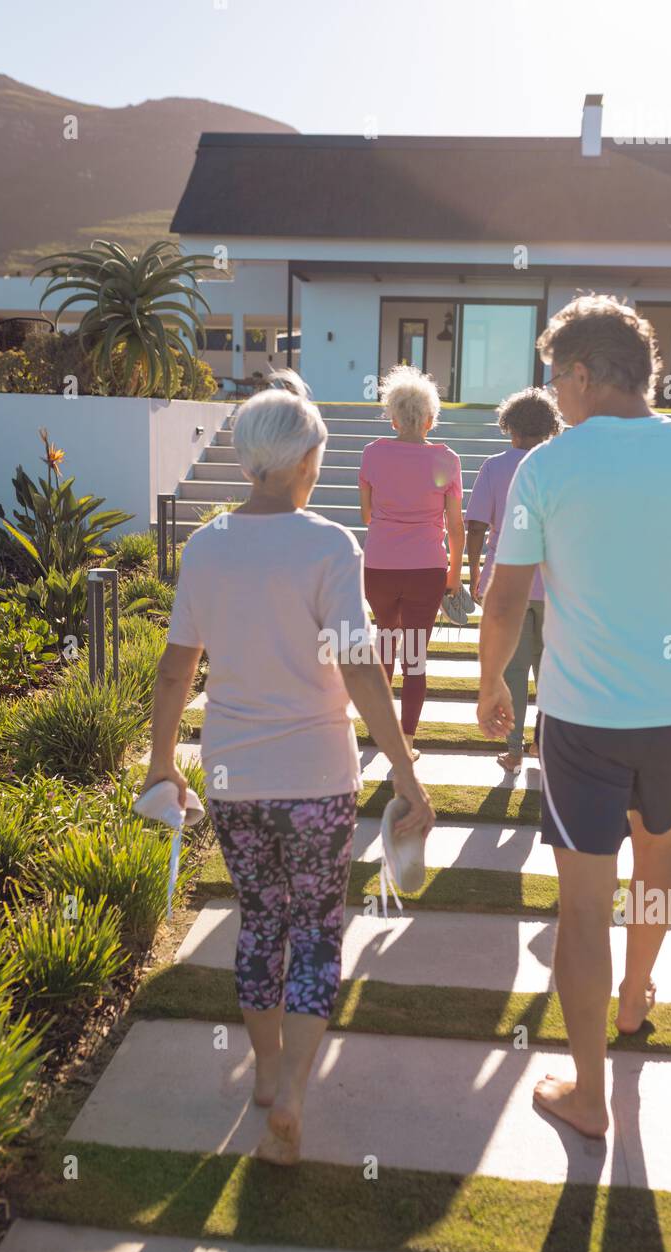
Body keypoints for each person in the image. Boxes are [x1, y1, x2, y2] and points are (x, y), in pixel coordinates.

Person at [477, 294, 671, 1139]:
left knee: (581, 906)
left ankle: (589, 1095)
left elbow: (505, 596)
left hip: (581, 717)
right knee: (655, 858)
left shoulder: (546, 466)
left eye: (555, 377)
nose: (554, 394)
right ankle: (631, 1001)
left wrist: (490, 683)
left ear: (582, 374)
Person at [140, 370, 435, 1166]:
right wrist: (406, 777)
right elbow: (362, 669)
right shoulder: (329, 544)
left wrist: (162, 761)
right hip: (317, 778)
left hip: (234, 776)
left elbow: (175, 670)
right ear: (306, 459)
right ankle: (298, 1090)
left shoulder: (207, 545)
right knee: (314, 932)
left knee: (259, 922)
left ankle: (266, 1070)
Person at [359, 364, 465, 759]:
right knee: (415, 657)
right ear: (429, 419)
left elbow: (367, 516)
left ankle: (384, 736)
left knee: (386, 642)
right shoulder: (446, 459)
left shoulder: (373, 453)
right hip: (427, 568)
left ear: (393, 417)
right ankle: (405, 742)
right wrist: (454, 576)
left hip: (381, 565)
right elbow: (455, 526)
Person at [466, 389, 563, 773]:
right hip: (555, 585)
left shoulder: (494, 466)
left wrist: (473, 572)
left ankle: (514, 749)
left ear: (512, 429)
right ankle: (547, 747)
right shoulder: (561, 466)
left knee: (512, 674)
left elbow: (475, 526)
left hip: (507, 584)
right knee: (551, 675)